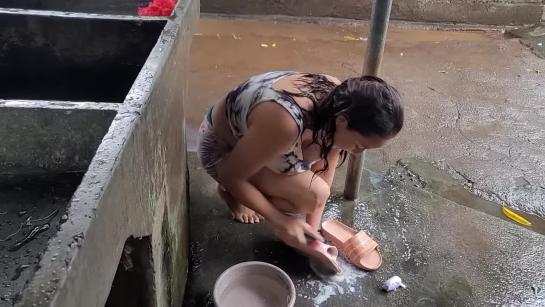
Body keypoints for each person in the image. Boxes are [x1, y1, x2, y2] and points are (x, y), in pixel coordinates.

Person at [197, 71, 403, 248]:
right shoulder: (285, 123)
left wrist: (312, 237)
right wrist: (281, 221)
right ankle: (232, 193)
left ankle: (250, 184)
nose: (357, 153)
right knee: (301, 200)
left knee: (314, 196)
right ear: (342, 121)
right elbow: (230, 175)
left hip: (256, 139)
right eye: (360, 145)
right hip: (222, 149)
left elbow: (328, 162)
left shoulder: (344, 100)